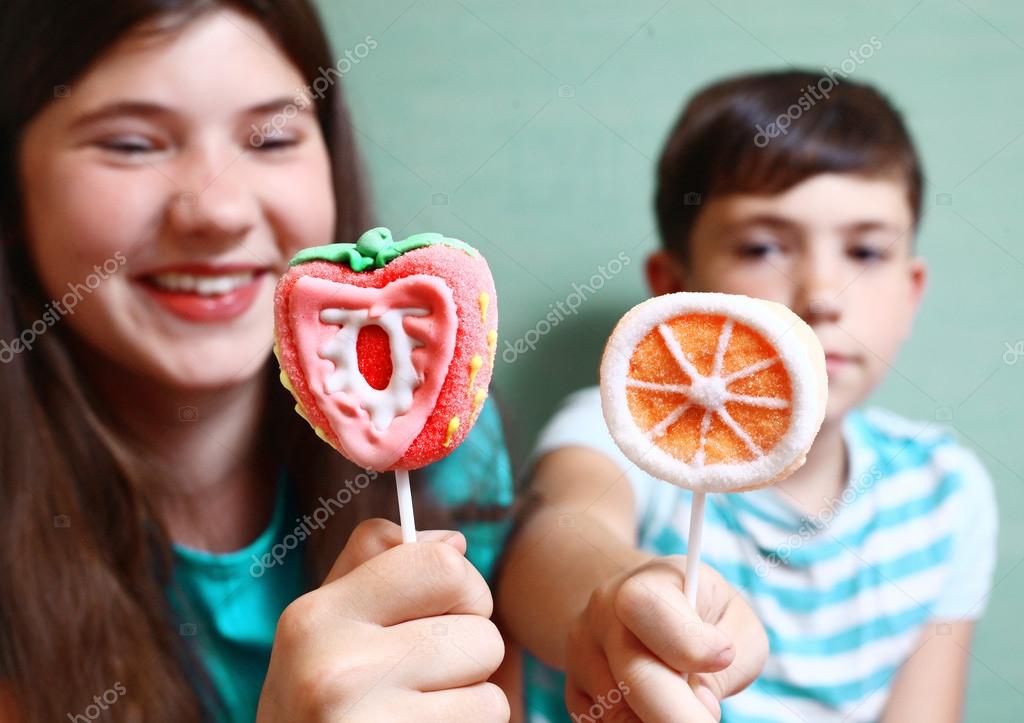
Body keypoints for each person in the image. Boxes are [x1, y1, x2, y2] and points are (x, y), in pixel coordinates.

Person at [0, 1, 516, 720]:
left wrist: (612, 595)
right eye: (129, 144)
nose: (216, 211)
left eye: (272, 139)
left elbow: (570, 530)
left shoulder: (446, 445)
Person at [499, 70, 998, 722]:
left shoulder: (943, 494)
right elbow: (555, 538)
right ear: (675, 292)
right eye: (763, 246)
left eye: (867, 251)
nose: (823, 293)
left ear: (911, 291)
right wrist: (619, 595)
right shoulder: (631, 428)